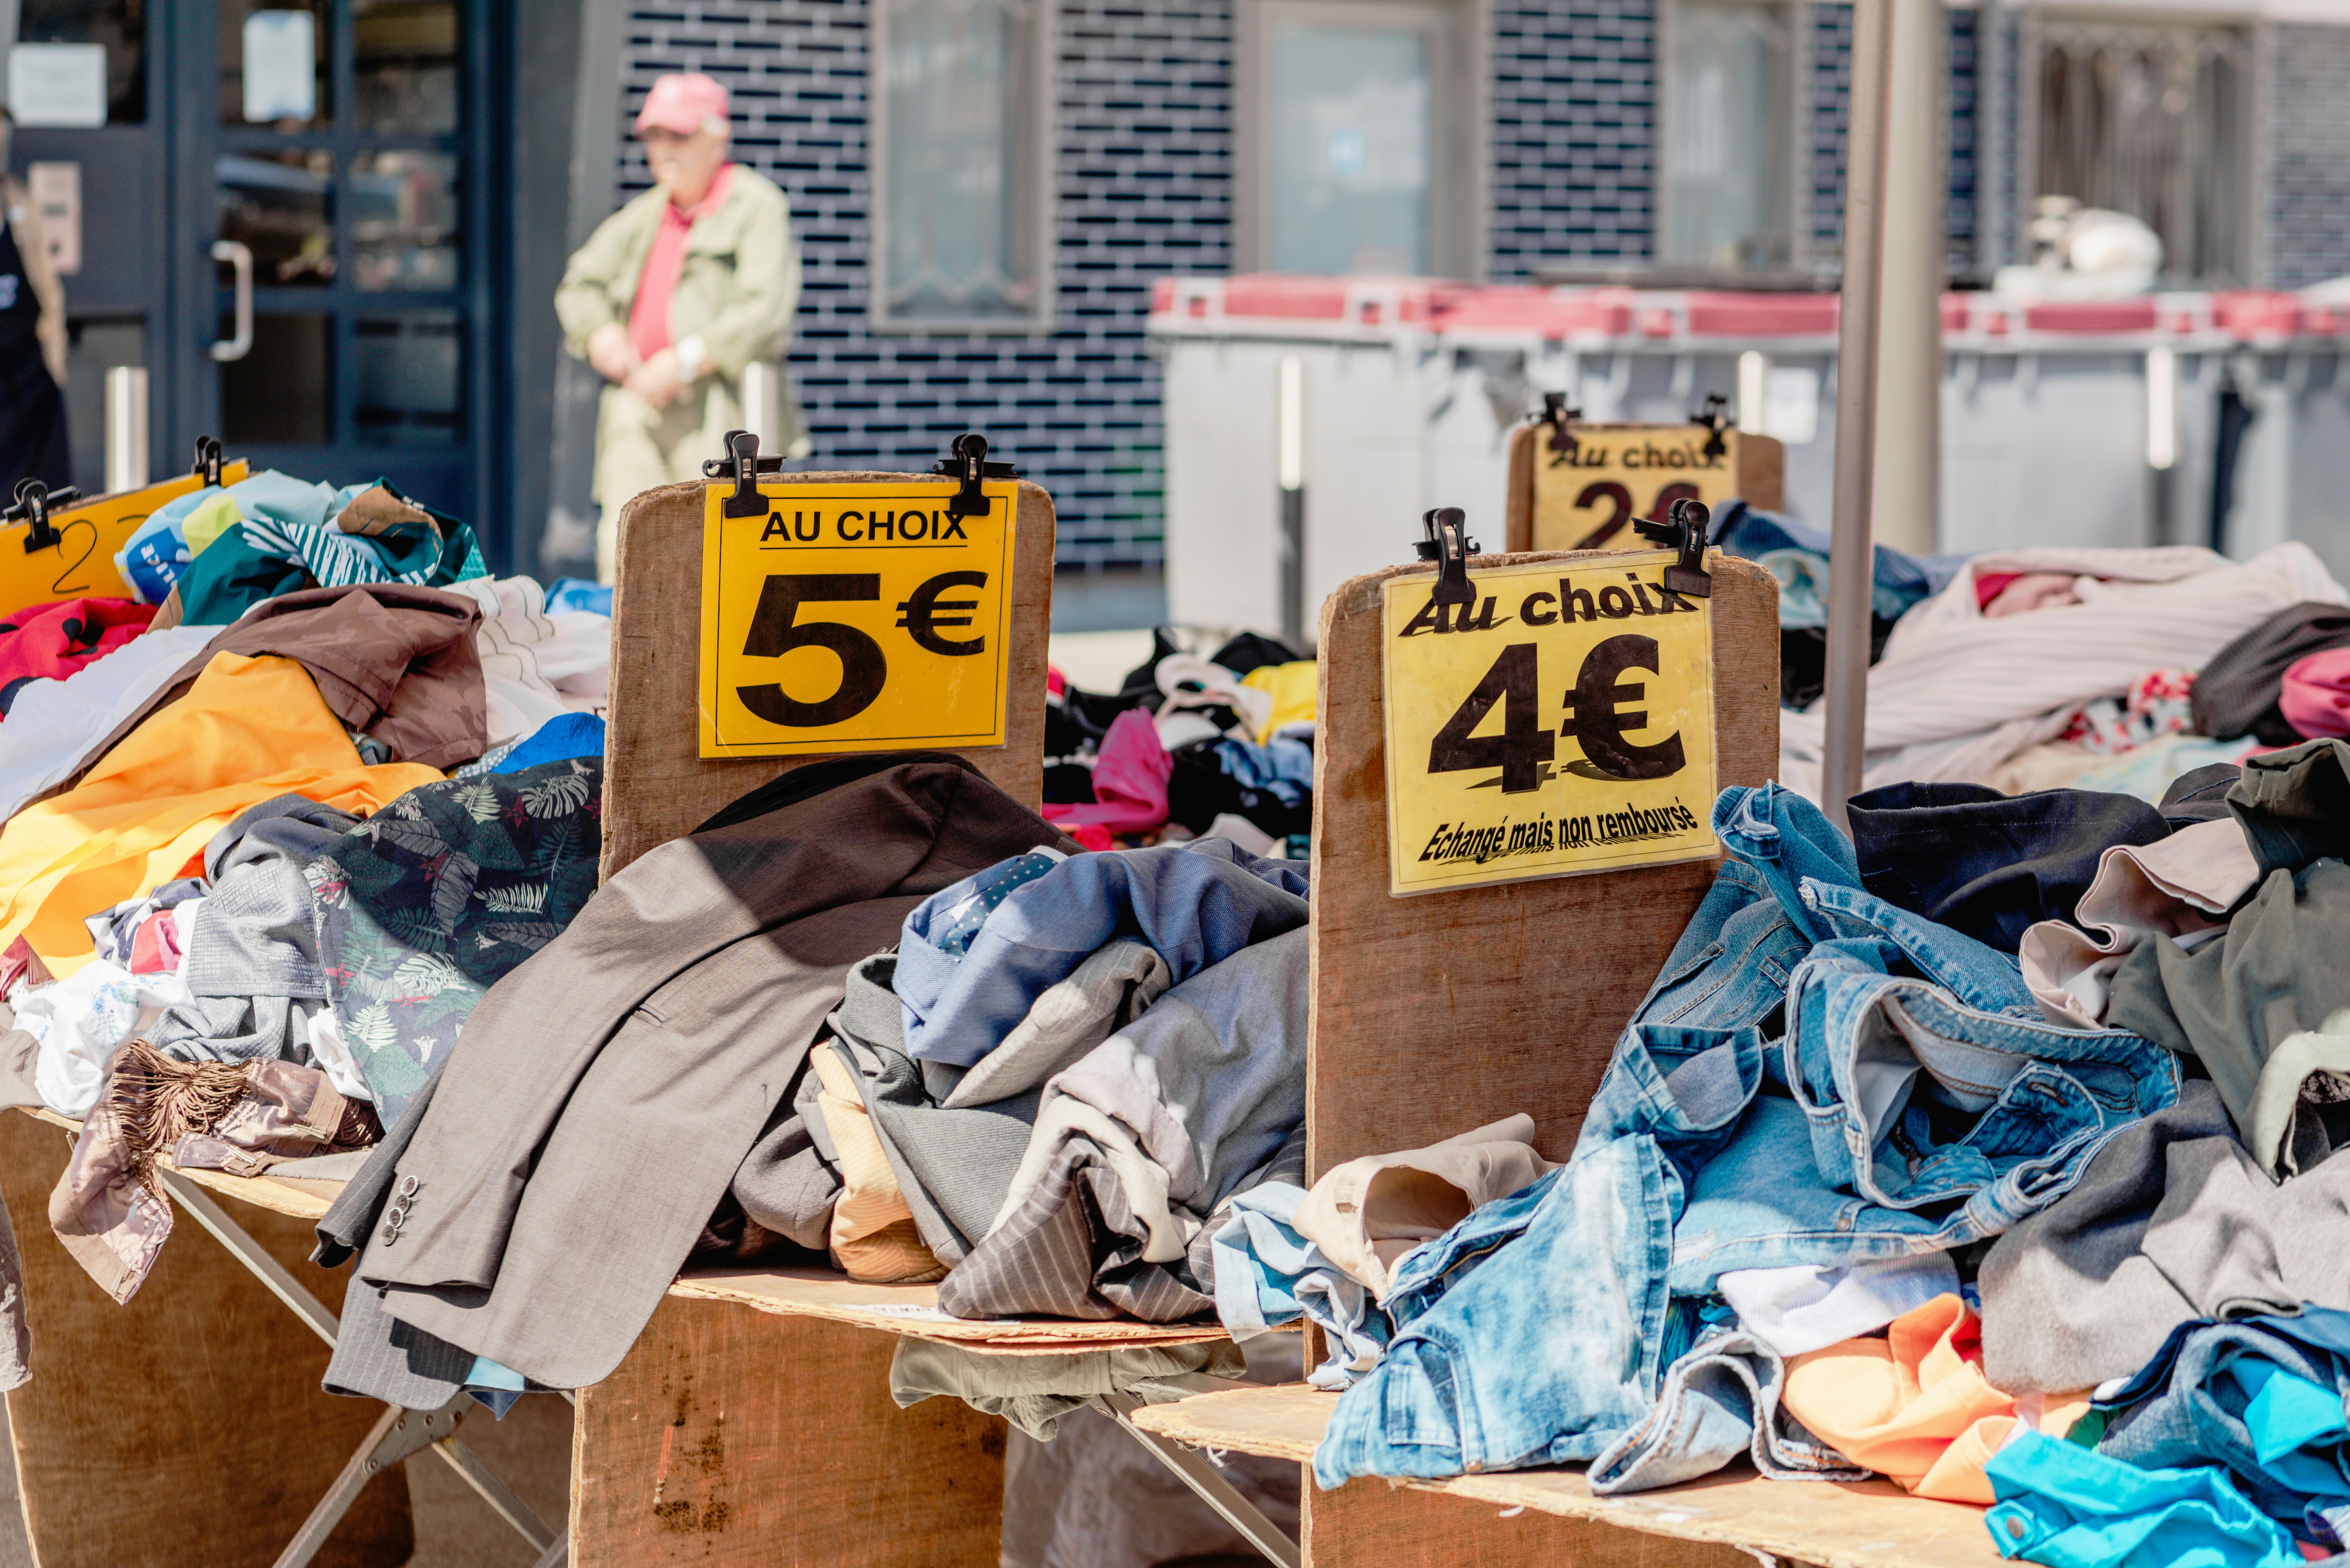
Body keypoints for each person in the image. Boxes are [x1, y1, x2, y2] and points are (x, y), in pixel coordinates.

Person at [556, 73, 803, 582]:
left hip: (722, 415)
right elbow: (580, 284)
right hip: (638, 406)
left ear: (719, 136)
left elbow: (764, 309)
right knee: (630, 556)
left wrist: (686, 359)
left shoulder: (758, 206)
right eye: (654, 136)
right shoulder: (645, 213)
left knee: (717, 561)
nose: (664, 149)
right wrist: (601, 333)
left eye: (680, 135)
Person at [0, 115, 69, 499]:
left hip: (29, 379)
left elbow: (48, 292)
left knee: (46, 500)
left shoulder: (21, 203)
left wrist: (54, 367)